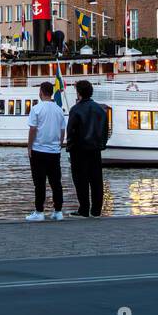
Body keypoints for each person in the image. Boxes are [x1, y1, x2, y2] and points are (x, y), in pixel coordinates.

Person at [66, 79, 108, 216]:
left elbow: (71, 130)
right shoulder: (100, 109)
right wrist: (101, 144)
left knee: (80, 180)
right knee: (96, 180)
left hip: (79, 149)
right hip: (95, 149)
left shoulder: (75, 109)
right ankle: (96, 210)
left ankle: (84, 208)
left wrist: (70, 146)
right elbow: (105, 130)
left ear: (79, 93)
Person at [26, 81, 66, 221]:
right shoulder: (59, 109)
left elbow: (32, 129)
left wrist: (29, 146)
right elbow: (62, 131)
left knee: (39, 183)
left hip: (38, 150)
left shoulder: (36, 109)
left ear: (41, 92)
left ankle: (39, 212)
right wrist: (59, 145)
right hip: (54, 152)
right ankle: (58, 211)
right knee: (56, 182)